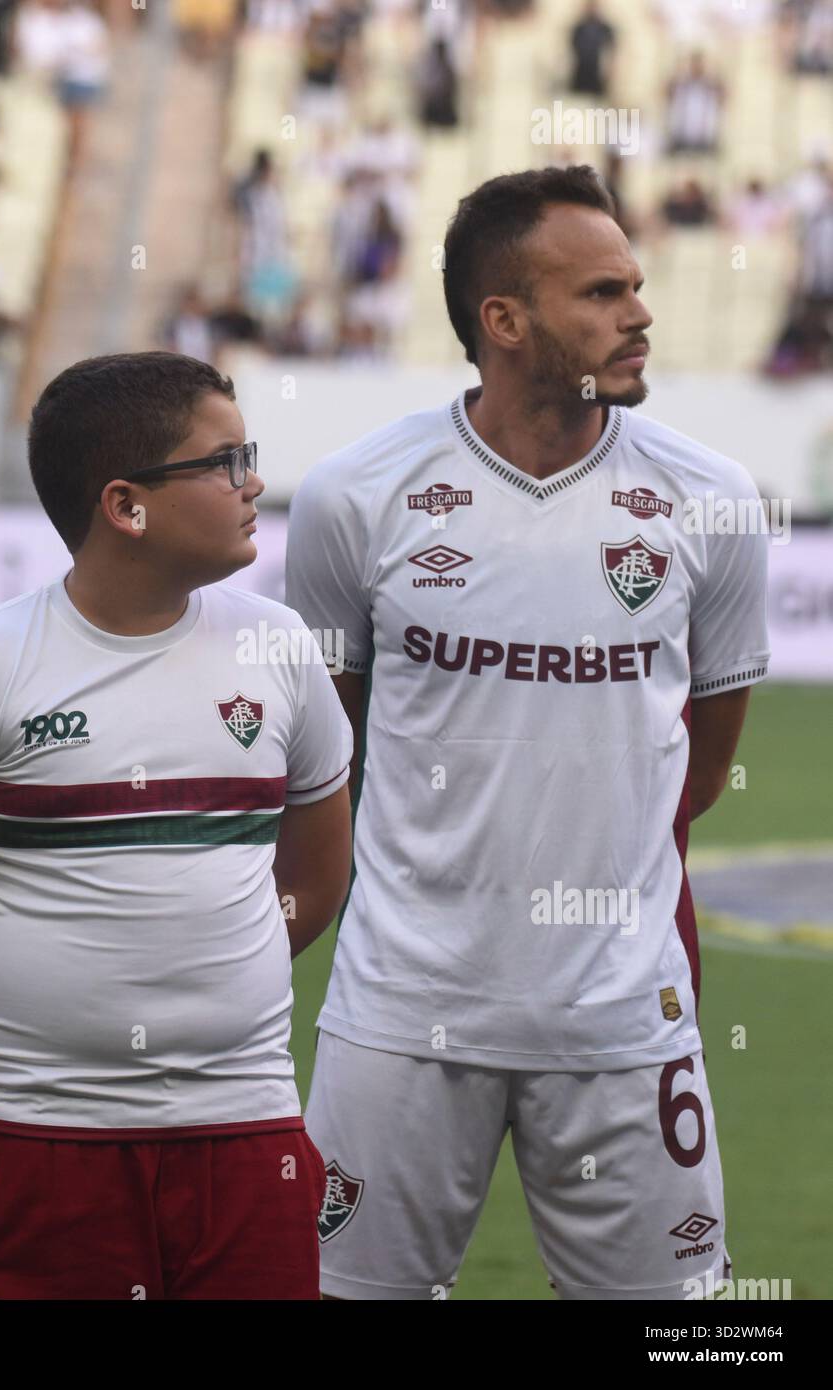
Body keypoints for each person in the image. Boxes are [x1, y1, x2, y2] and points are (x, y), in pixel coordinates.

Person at [285, 165, 770, 1300]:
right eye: (600, 292)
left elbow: (695, 770)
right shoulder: (356, 497)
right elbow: (327, 762)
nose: (638, 313)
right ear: (501, 321)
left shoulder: (711, 500)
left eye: (635, 286)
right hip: (398, 1019)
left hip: (623, 1023)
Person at [0, 351, 354, 1301]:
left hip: (248, 1136)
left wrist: (208, 968)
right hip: (38, 1147)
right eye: (224, 461)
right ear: (125, 505)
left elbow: (318, 872)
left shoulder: (280, 647)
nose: (252, 482)